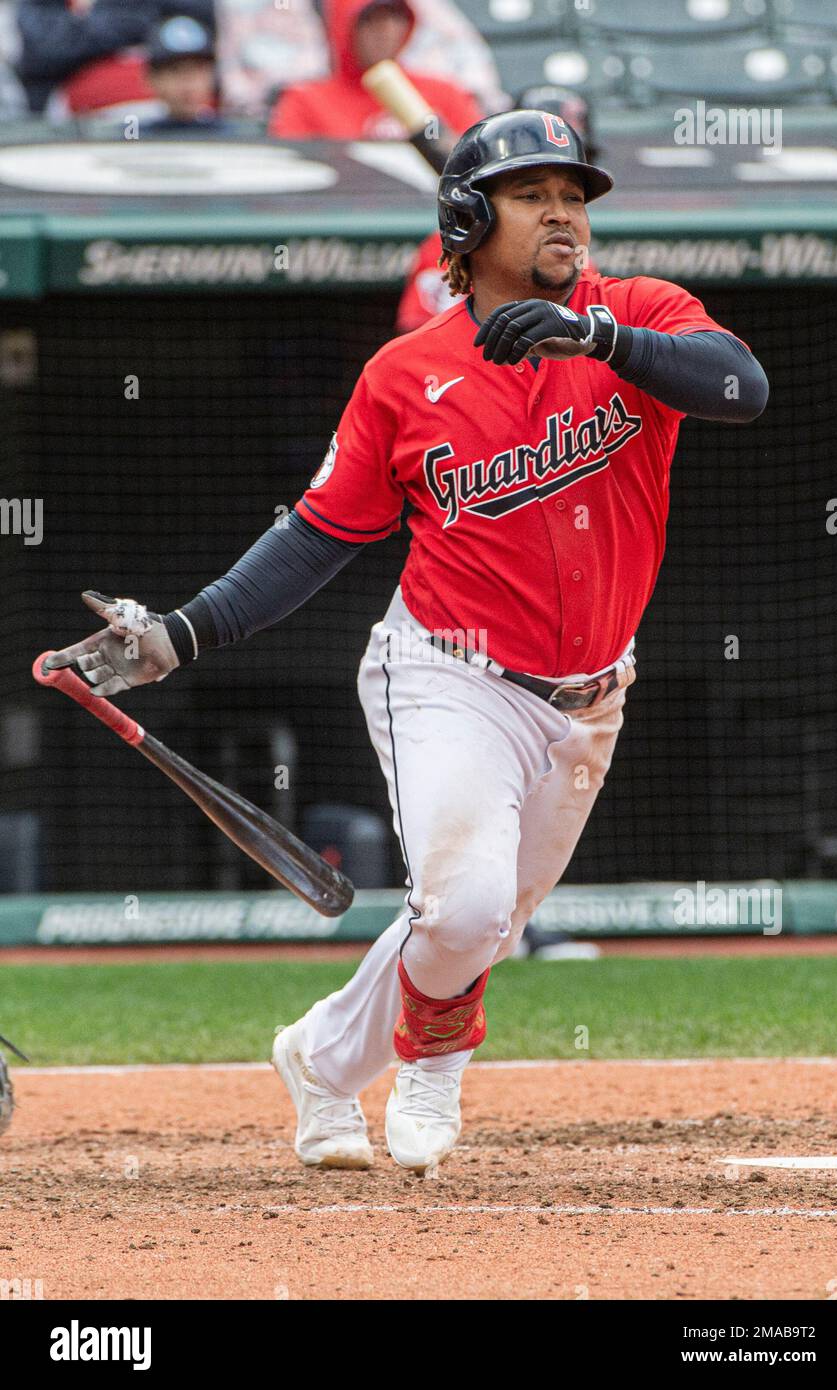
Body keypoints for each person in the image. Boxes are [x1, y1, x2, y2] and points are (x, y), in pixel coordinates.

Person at [46, 109, 769, 1176]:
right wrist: (182, 635)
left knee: (459, 922)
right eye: (533, 195)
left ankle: (319, 1059)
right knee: (470, 909)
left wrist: (598, 339)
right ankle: (432, 1068)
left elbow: (739, 389)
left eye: (572, 194)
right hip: (448, 671)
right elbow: (316, 538)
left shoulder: (640, 314)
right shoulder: (404, 375)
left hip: (590, 695)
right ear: (469, 222)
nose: (564, 211)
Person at [396, 86, 596, 333]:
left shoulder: (576, 259)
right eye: (532, 195)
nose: (559, 212)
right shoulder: (448, 248)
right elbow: (420, 346)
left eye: (572, 193)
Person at [268, 0, 481, 141]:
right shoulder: (304, 101)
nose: (385, 31)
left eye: (395, 17)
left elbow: (475, 168)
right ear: (344, 26)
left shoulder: (444, 94)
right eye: (371, 20)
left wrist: (434, 138)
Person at [15, 0, 214, 116]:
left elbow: (194, 34)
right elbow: (44, 50)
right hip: (75, 120)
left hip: (163, 111)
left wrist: (84, 25)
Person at [139, 14, 233, 136]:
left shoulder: (230, 135)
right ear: (151, 78)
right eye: (175, 70)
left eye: (198, 69)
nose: (189, 81)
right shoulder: (136, 134)